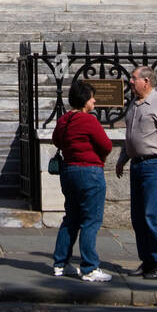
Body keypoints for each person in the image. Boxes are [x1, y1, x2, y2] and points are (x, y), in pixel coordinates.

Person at [114, 66, 157, 280]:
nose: (130, 82)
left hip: (155, 165)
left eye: (134, 78)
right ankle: (148, 261)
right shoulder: (134, 105)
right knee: (138, 217)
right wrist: (122, 159)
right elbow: (130, 136)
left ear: (147, 81)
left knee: (152, 214)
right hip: (137, 164)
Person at [51, 79, 113, 282]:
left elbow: (57, 140)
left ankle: (60, 263)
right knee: (91, 220)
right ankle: (89, 267)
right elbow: (106, 145)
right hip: (89, 171)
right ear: (85, 100)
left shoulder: (64, 120)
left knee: (71, 218)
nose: (94, 101)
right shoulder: (89, 120)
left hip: (69, 171)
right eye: (92, 97)